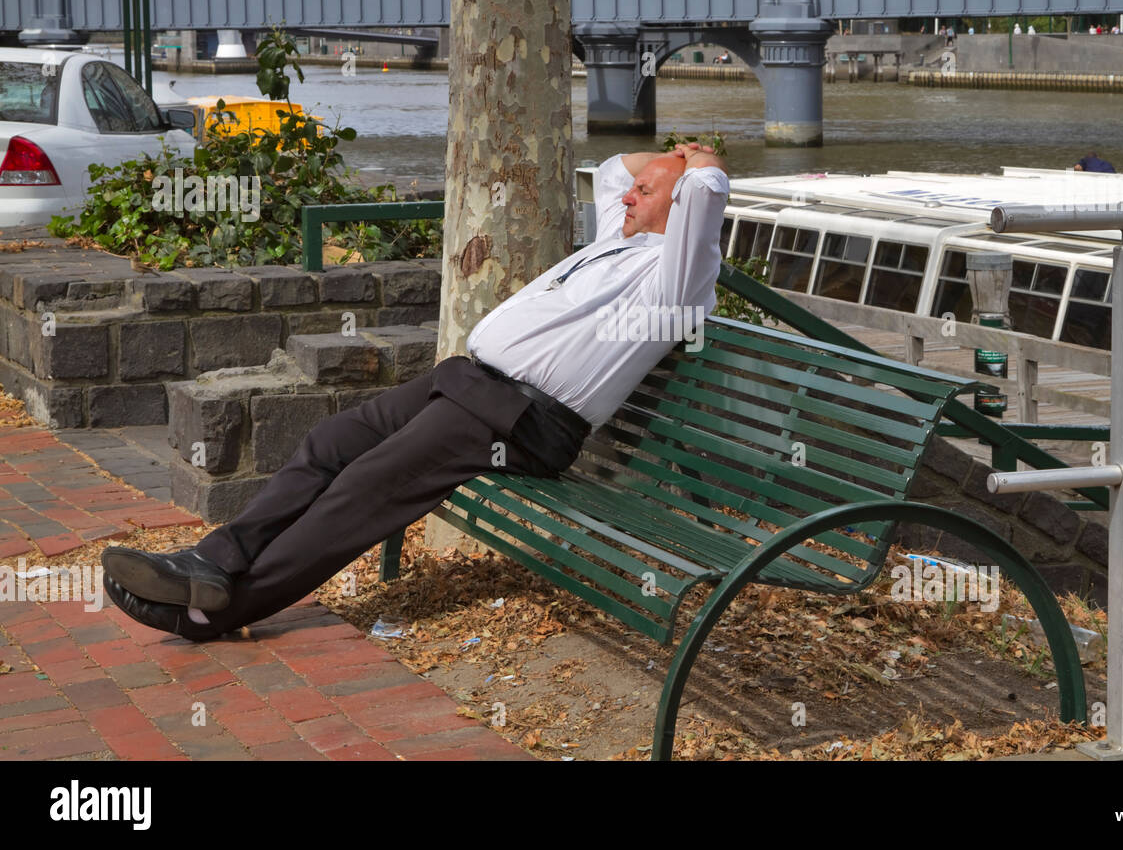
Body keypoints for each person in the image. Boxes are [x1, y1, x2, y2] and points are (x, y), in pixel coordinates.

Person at [101, 143, 731, 641]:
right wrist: (669, 156)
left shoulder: (677, 281)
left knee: (364, 487)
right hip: (469, 384)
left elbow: (704, 193)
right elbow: (616, 170)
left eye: (647, 193)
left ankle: (218, 611)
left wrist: (700, 163)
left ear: (678, 211)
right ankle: (212, 561)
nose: (628, 196)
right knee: (330, 444)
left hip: (521, 419)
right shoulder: (616, 245)